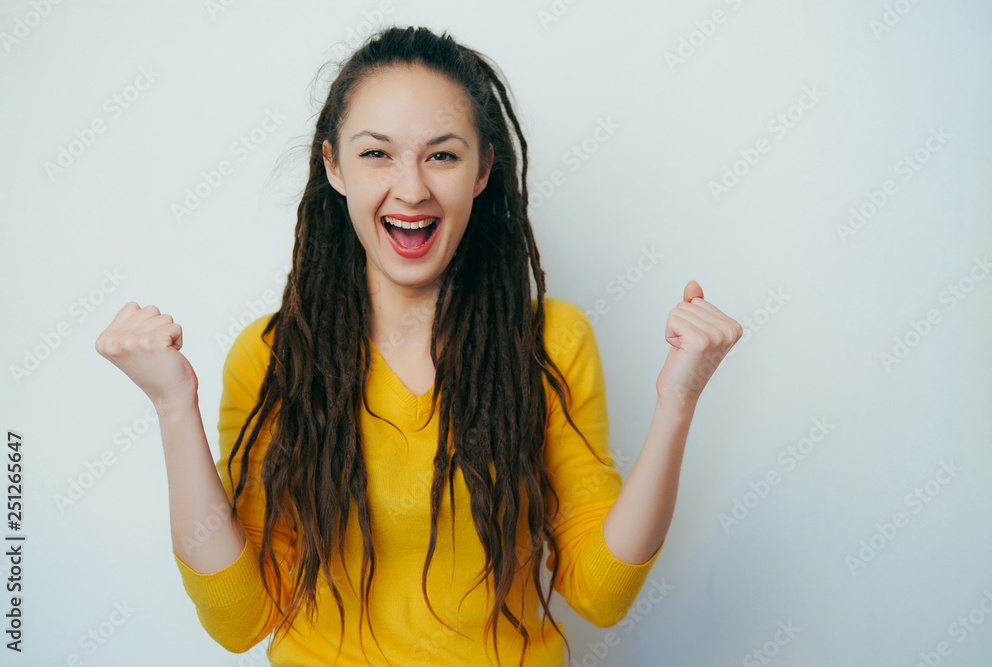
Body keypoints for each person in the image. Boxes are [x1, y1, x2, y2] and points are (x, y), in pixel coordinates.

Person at [95, 25, 742, 667]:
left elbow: (600, 591)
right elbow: (241, 618)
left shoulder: (550, 341)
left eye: (442, 155)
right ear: (333, 166)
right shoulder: (272, 357)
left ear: (483, 168)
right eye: (377, 153)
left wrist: (677, 401)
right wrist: (173, 405)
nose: (411, 189)